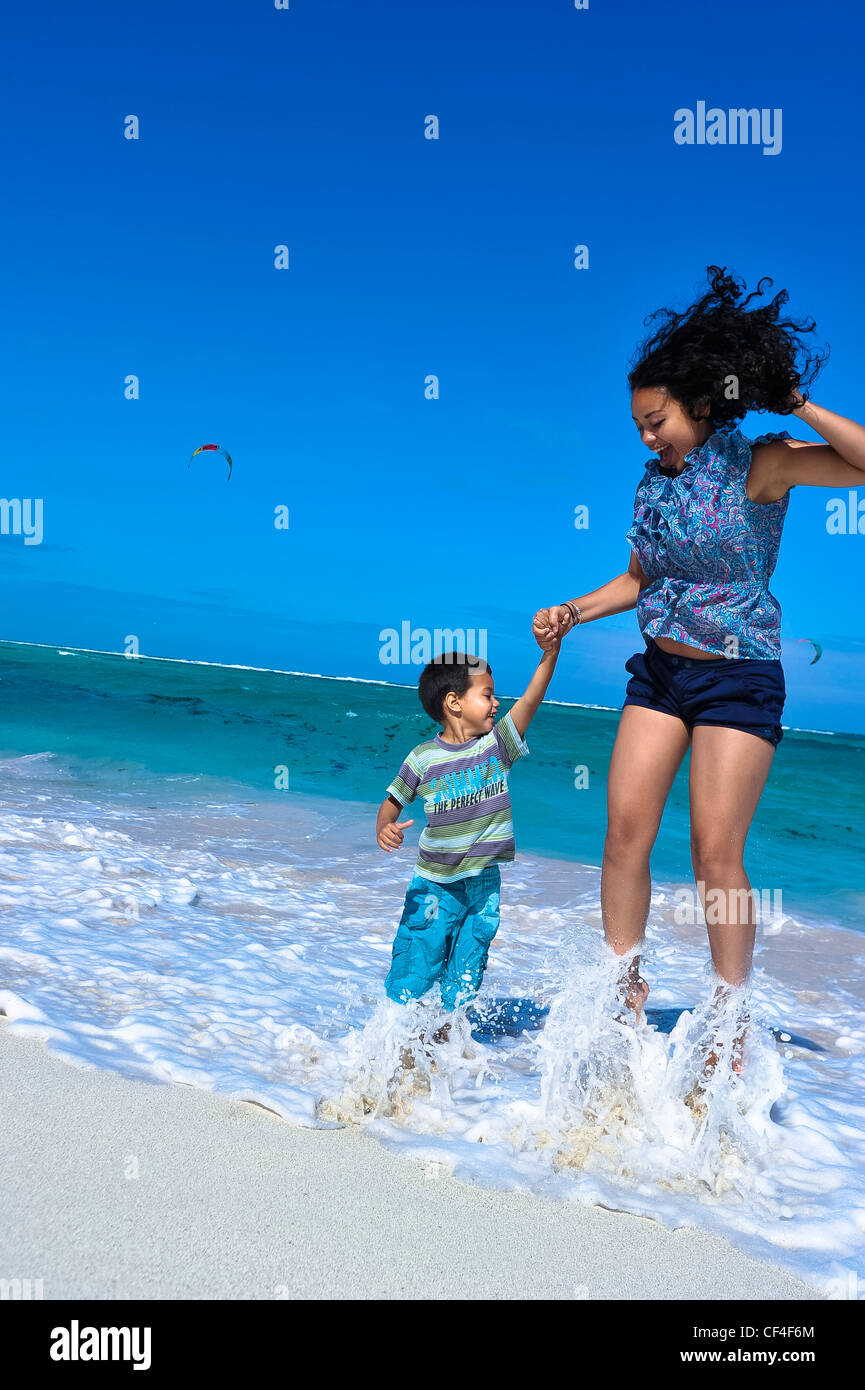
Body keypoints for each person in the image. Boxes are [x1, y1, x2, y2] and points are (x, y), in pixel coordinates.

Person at [532, 265, 865, 1074]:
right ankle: (624, 988)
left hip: (737, 678)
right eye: (639, 426)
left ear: (697, 404)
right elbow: (642, 577)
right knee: (622, 833)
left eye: (657, 421)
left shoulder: (763, 463)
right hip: (659, 673)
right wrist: (573, 610)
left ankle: (727, 1015)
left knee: (715, 851)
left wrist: (794, 402)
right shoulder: (653, 487)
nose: (648, 437)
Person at [376, 645, 559, 1025]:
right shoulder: (422, 758)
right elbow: (394, 800)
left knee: (464, 978)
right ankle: (394, 1040)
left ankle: (447, 1042)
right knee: (415, 965)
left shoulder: (497, 747)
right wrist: (385, 827)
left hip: (483, 886)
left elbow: (532, 698)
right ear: (454, 702)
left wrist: (549, 653)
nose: (496, 704)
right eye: (487, 695)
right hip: (434, 887)